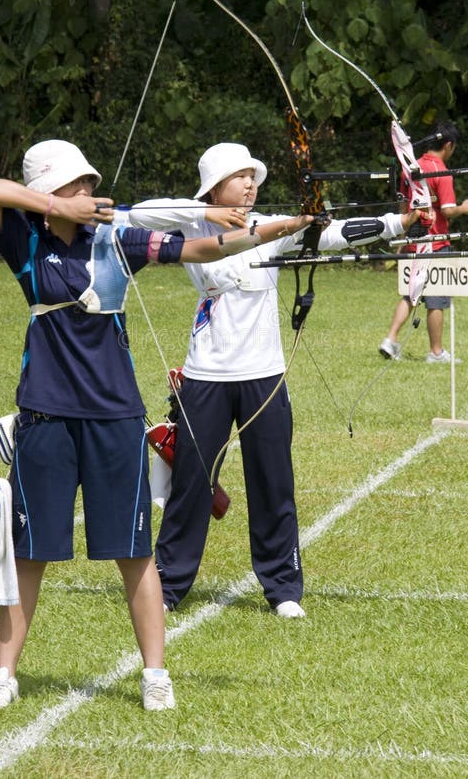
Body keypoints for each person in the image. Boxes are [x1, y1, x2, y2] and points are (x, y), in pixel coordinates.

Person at [0, 138, 314, 713]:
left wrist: (268, 230)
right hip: (46, 415)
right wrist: (55, 210)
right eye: (74, 185)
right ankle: (3, 674)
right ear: (48, 192)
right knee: (27, 552)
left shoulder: (117, 238)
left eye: (88, 184)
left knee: (134, 550)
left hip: (115, 414)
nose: (88, 192)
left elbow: (201, 248)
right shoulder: (24, 239)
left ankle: (155, 673)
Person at [127, 142, 421, 618]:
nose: (249, 183)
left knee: (273, 482)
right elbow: (138, 215)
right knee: (191, 481)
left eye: (252, 176)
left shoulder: (270, 225)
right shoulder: (189, 223)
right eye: (238, 176)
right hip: (206, 373)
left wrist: (399, 223)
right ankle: (169, 584)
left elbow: (333, 235)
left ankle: (283, 588)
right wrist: (205, 210)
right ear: (215, 186)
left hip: (264, 375)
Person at [378, 121, 468, 364]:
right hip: (436, 243)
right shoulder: (441, 171)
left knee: (410, 294)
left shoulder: (410, 167)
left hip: (413, 239)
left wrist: (404, 237)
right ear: (449, 145)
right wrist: (464, 208)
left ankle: (390, 340)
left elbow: (403, 206)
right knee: (436, 299)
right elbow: (447, 210)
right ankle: (436, 352)